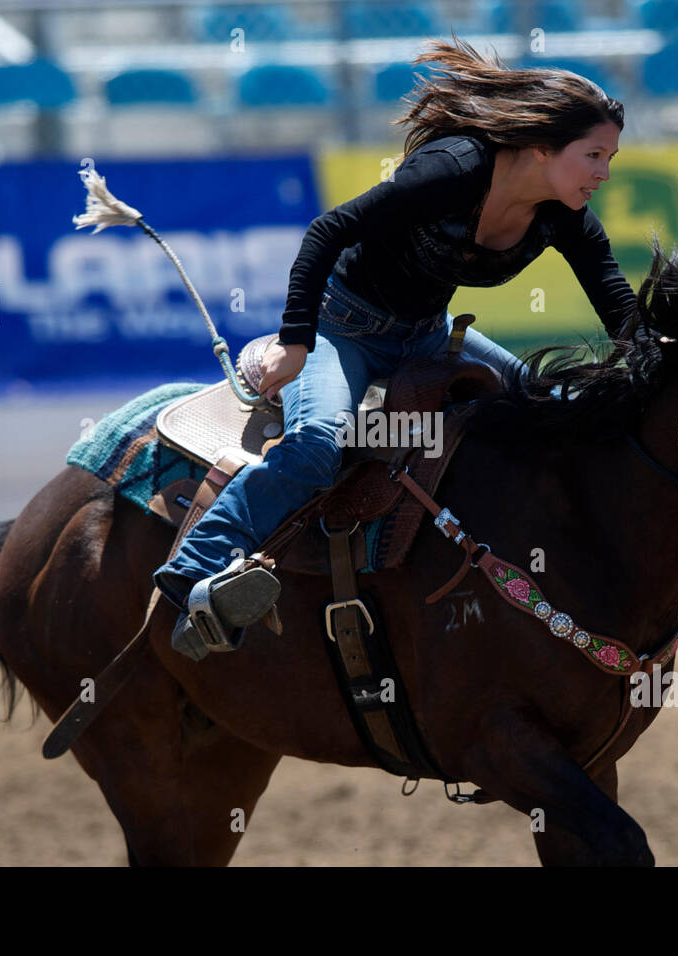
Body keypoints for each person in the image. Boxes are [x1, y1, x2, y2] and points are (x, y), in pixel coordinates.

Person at [154, 36, 639, 661]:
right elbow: (327, 230)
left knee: (545, 408)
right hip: (341, 331)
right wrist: (297, 344)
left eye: (610, 158)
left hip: (427, 335)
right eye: (594, 156)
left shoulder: (564, 212)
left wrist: (659, 353)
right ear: (541, 146)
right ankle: (193, 565)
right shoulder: (453, 169)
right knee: (315, 445)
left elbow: (616, 301)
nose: (604, 173)